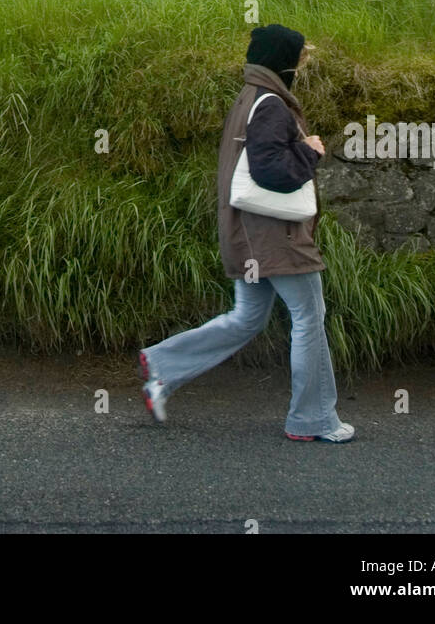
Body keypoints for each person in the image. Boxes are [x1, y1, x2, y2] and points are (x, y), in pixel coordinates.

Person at [138, 23, 354, 442]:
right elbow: (272, 169)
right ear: (282, 63)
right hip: (277, 238)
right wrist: (310, 151)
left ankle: (163, 366)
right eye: (297, 61)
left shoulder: (249, 97)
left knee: (246, 318)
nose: (299, 68)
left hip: (247, 235)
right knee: (309, 318)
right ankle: (312, 420)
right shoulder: (272, 104)